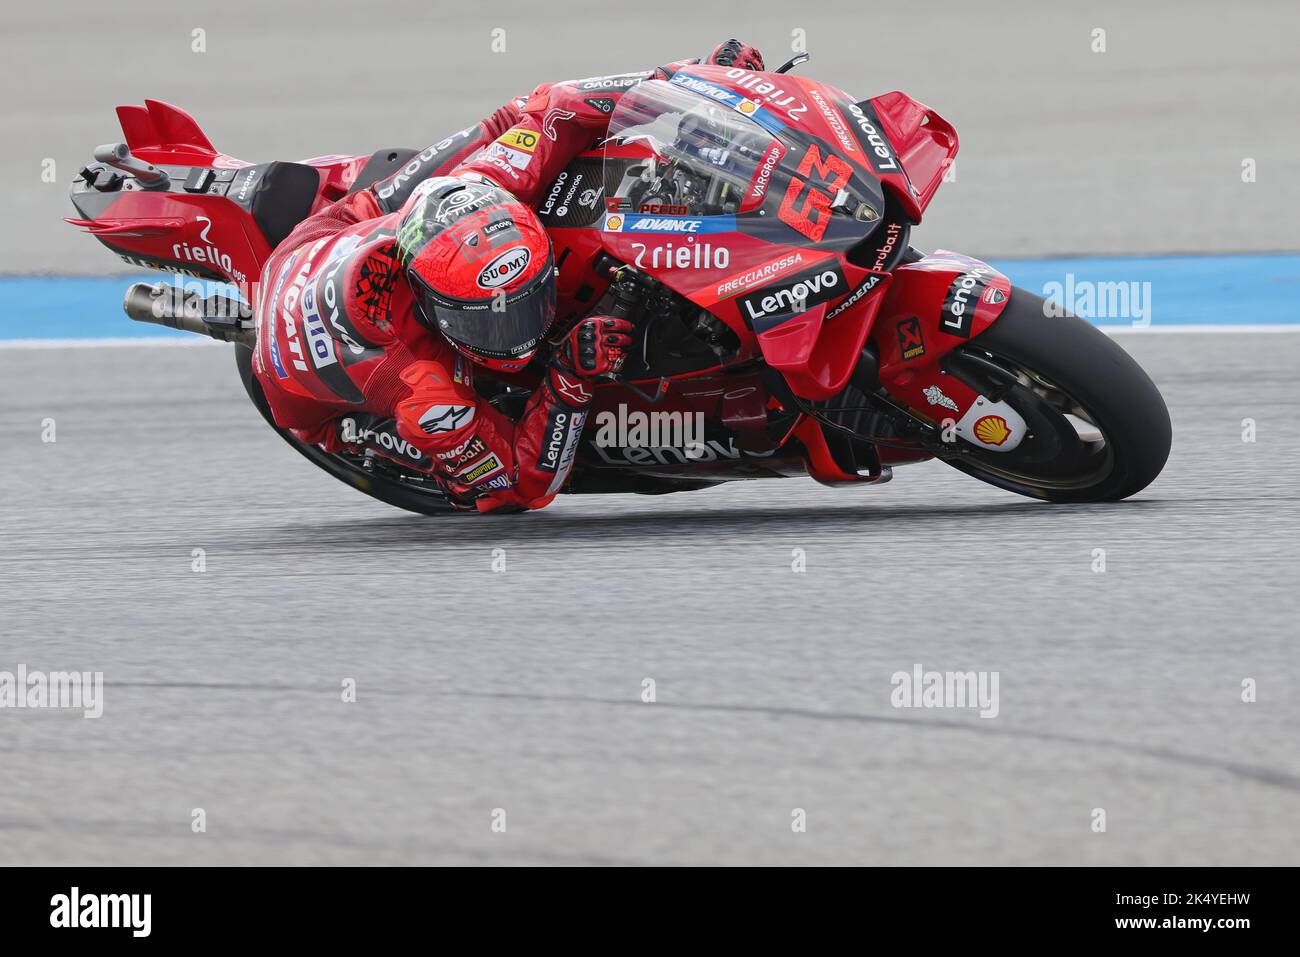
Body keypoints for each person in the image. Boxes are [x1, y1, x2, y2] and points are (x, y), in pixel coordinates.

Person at [253, 41, 765, 512]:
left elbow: (557, 103)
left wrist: (692, 82)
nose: (527, 330)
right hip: (321, 382)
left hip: (349, 225)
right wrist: (569, 379)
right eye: (492, 321)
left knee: (512, 123)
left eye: (532, 300)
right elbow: (522, 486)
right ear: (433, 308)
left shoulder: (486, 183)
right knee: (479, 471)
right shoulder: (423, 387)